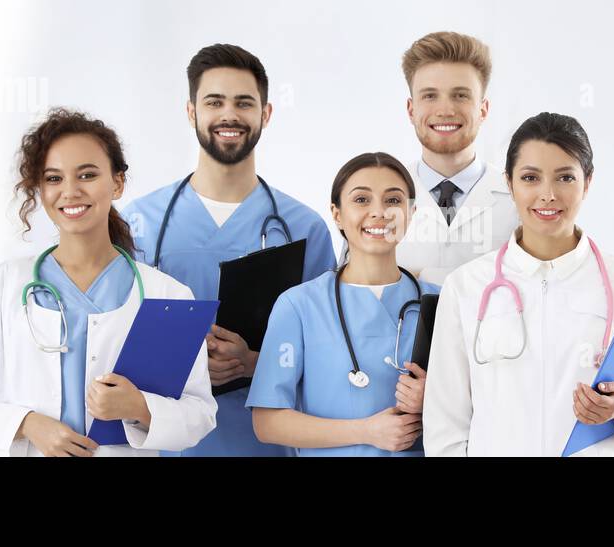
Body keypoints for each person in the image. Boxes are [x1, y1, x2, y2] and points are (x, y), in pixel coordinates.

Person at [0, 108, 216, 456]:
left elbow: (200, 413)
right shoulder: (2, 286)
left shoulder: (169, 296)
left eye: (87, 175)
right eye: (53, 179)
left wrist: (140, 408)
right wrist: (27, 423)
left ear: (117, 183)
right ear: (39, 189)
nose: (70, 191)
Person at [122, 44, 337, 456]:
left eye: (244, 102)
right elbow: (109, 342)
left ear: (266, 114)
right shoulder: (138, 223)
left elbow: (328, 355)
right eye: (214, 101)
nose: (229, 115)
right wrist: (190, 362)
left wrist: (255, 362)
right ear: (191, 112)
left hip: (263, 443)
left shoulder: (305, 229)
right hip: (166, 442)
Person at [424, 112, 614, 456]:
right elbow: (445, 429)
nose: (548, 194)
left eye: (565, 178)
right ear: (509, 183)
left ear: (587, 182)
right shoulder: (466, 287)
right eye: (530, 178)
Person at [247, 152, 438, 456]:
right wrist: (366, 431)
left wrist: (436, 400)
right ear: (336, 214)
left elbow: (480, 405)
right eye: (362, 200)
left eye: (393, 200)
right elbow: (267, 422)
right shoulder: (298, 306)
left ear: (411, 212)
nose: (379, 212)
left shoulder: (439, 304)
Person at [394, 31, 519, 285]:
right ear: (411, 109)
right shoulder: (378, 198)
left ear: (483, 109)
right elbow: (349, 295)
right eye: (430, 95)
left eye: (460, 95)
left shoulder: (520, 202)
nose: (445, 110)